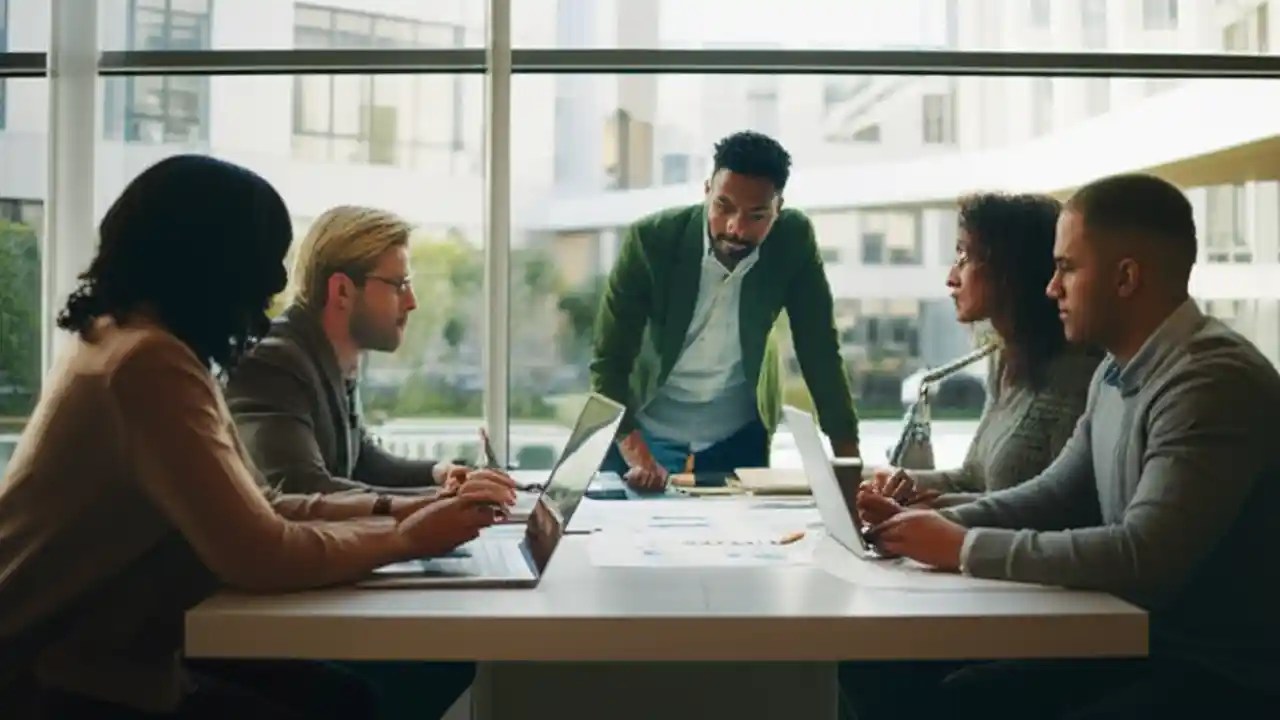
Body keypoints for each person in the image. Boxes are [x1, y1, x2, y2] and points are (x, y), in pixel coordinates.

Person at [0, 156, 511, 719]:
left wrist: (406, 509)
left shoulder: (125, 341)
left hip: (96, 659)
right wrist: (406, 538)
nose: (275, 286)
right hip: (50, 682)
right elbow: (262, 553)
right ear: (212, 262)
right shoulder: (147, 365)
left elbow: (262, 505)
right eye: (264, 262)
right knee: (356, 700)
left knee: (351, 697)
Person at [847, 174, 1280, 718]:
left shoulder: (1210, 381)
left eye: (1067, 268)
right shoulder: (1115, 373)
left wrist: (960, 546)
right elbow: (1055, 494)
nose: (1051, 287)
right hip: (1137, 641)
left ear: (1126, 278)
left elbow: (1143, 555)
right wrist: (924, 524)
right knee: (898, 676)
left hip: (1216, 671)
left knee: (947, 699)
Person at [591, 130, 860, 491]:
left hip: (736, 437)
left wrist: (850, 466)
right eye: (724, 207)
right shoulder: (652, 241)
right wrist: (637, 454)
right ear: (707, 191)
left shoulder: (792, 240)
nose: (736, 227)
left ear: (778, 208)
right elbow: (609, 361)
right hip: (642, 431)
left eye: (756, 215)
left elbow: (820, 351)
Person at [225, 205, 515, 496]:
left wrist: (440, 474)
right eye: (399, 285)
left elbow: (361, 461)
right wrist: (445, 500)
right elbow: (303, 488)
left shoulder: (330, 357)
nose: (412, 302)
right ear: (342, 291)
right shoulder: (273, 364)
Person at [871, 193, 1101, 508]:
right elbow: (974, 479)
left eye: (965, 256)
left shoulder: (1077, 376)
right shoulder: (1004, 361)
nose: (951, 278)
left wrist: (927, 509)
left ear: (1011, 269)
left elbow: (1049, 511)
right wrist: (900, 482)